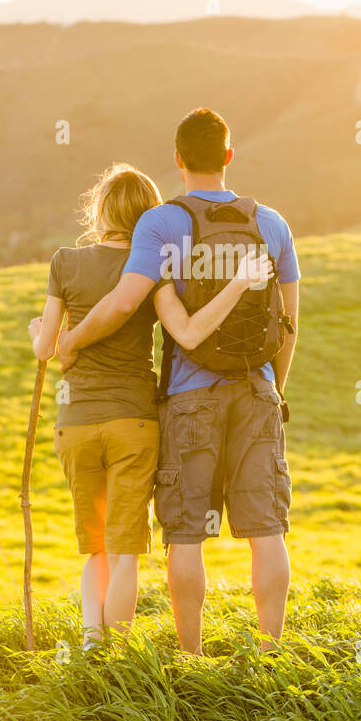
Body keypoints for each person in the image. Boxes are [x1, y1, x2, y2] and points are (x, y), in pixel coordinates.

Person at [60, 110, 300, 654]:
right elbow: (290, 324)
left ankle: (191, 656)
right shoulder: (273, 224)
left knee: (186, 532)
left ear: (177, 159)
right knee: (267, 529)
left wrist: (70, 342)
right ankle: (270, 655)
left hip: (190, 396)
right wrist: (275, 388)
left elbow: (124, 302)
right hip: (258, 388)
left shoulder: (162, 223)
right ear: (229, 157)